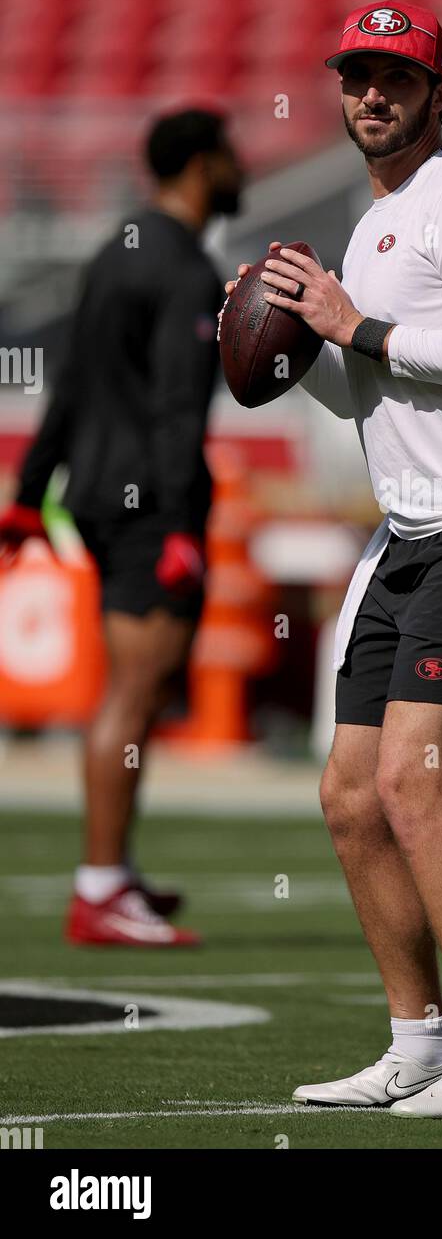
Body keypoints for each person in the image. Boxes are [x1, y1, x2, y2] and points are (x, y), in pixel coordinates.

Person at [228, 0, 442, 1118]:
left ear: (437, 91)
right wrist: (279, 332)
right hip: (409, 529)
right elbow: (360, 386)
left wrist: (351, 325)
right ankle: (416, 1040)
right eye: (354, 78)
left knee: (412, 782)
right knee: (347, 796)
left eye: (393, 78)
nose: (369, 95)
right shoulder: (369, 221)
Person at [0, 108, 244, 946]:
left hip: (96, 492)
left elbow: (66, 385)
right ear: (204, 165)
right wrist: (180, 520)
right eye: (229, 155)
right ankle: (101, 885)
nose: (239, 167)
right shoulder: (182, 268)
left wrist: (31, 495)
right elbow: (180, 408)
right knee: (135, 693)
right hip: (151, 503)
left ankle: (118, 872)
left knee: (131, 688)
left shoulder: (116, 250)